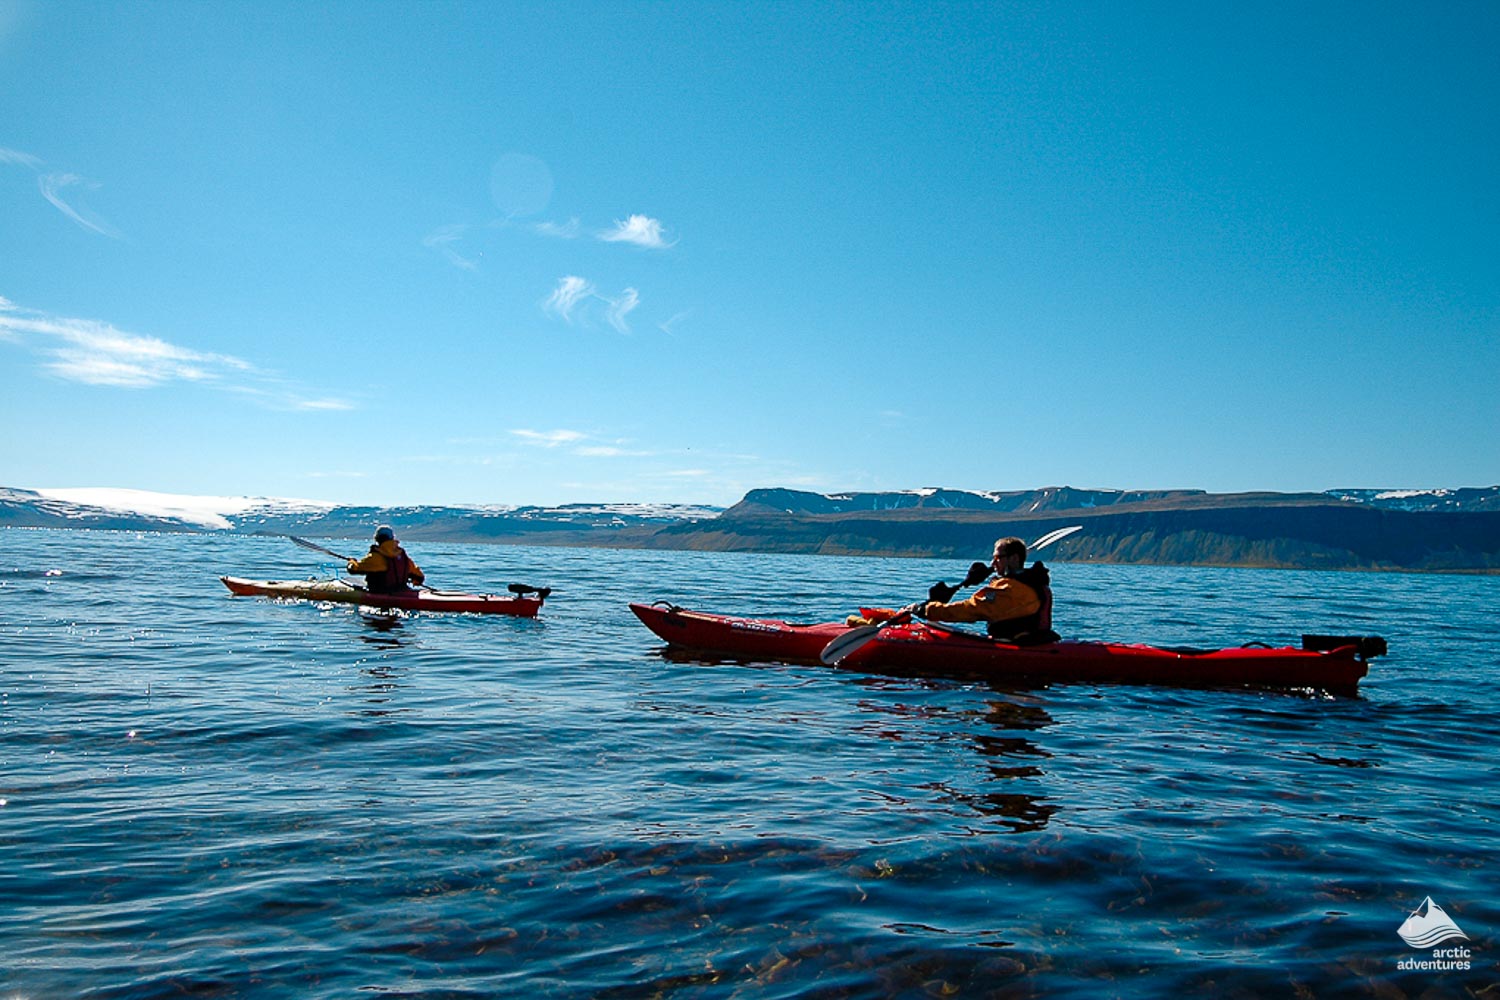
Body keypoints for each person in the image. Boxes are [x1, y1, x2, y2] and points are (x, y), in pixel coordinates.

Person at [914, 536, 1058, 644]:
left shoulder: (1009, 590)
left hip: (1015, 645)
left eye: (998, 558)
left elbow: (971, 609)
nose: (993, 563)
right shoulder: (1033, 583)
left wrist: (927, 610)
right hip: (1029, 641)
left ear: (1014, 559)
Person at [346, 525, 425, 594]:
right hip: (402, 590)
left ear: (377, 539)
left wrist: (351, 563)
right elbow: (419, 577)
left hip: (380, 593)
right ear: (392, 538)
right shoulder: (401, 556)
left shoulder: (375, 557)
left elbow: (354, 570)